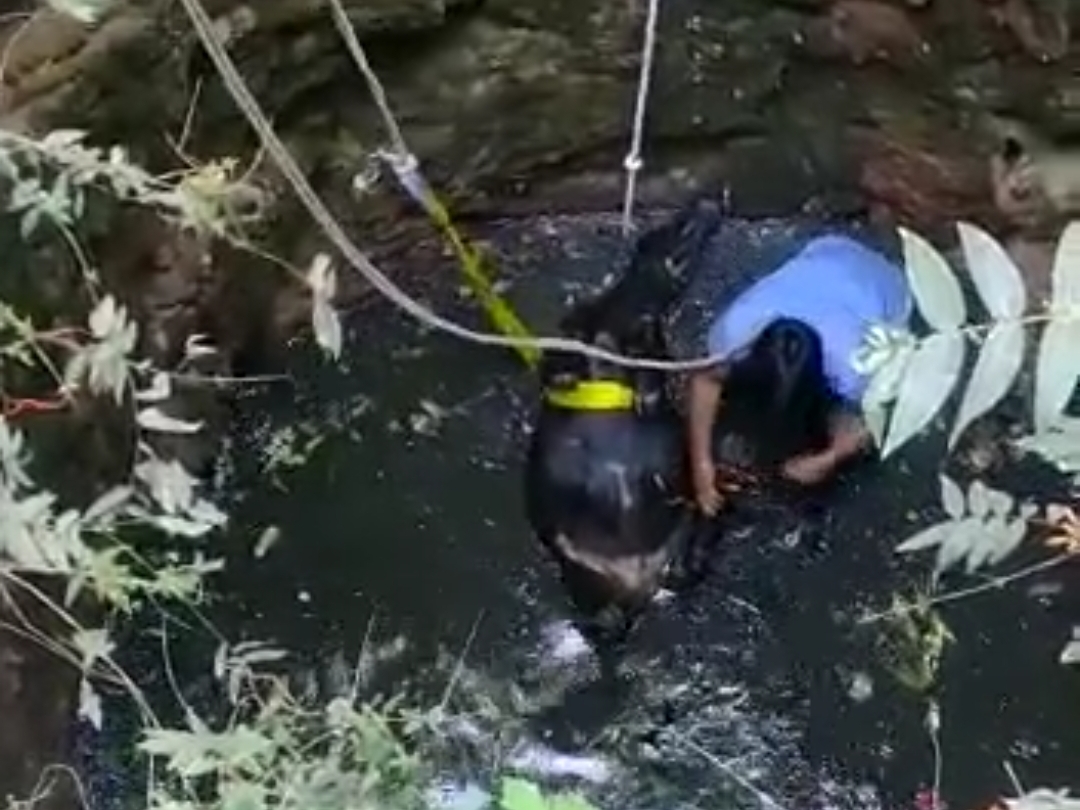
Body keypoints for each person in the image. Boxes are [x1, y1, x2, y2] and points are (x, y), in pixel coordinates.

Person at [686, 231, 913, 516]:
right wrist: (702, 465)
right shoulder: (736, 331)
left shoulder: (855, 367)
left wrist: (829, 458)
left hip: (886, 289)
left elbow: (870, 425)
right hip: (828, 253)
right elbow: (704, 381)